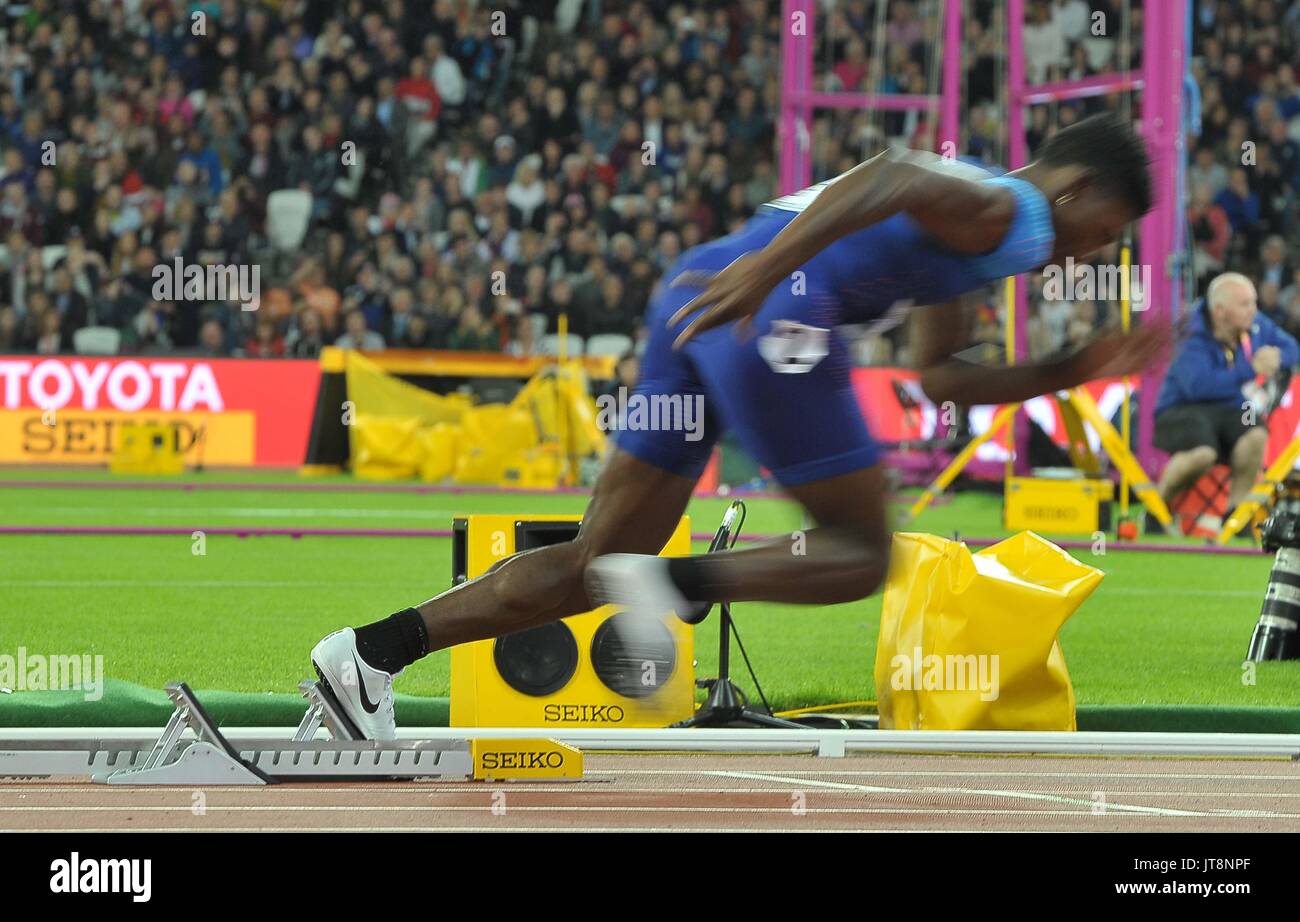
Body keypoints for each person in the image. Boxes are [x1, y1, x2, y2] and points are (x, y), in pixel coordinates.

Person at [311, 113, 1167, 739]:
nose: (1098, 251)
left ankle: (370, 655)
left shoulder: (982, 240)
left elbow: (944, 376)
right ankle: (677, 587)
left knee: (595, 564)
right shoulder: (1000, 207)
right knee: (862, 554)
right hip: (773, 305)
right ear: (1079, 188)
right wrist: (771, 270)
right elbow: (888, 174)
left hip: (699, 291)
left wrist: (1078, 370)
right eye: (1108, 232)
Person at [1153, 272, 1299, 532]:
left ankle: (1237, 516)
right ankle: (1156, 508)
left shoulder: (1256, 325)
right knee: (1203, 453)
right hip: (1182, 409)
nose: (1253, 310)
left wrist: (1275, 357)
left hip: (1234, 408)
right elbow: (1199, 387)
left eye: (1254, 302)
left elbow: (1292, 347)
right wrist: (1251, 367)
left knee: (1255, 432)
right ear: (1219, 311)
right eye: (1244, 304)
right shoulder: (1190, 332)